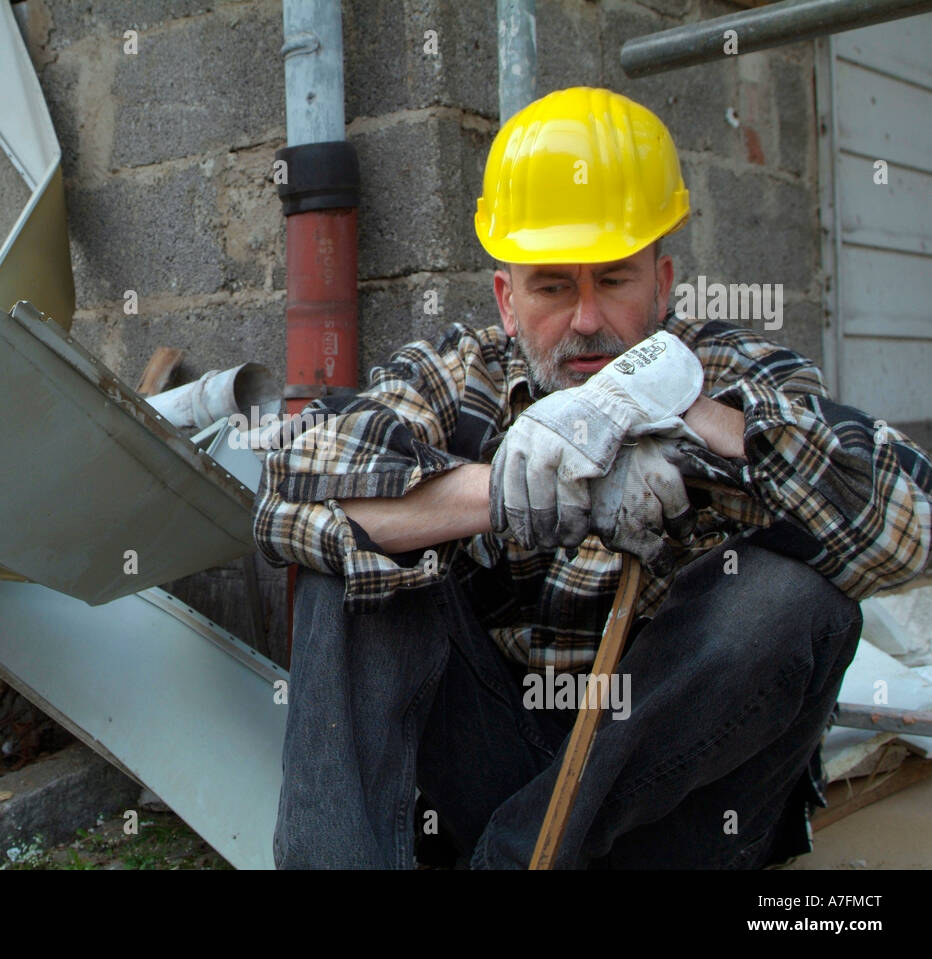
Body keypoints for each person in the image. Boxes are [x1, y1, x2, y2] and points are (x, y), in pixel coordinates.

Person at [251, 86, 932, 869]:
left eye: (612, 279)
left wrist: (691, 417)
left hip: (670, 808)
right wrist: (504, 493)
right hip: (491, 765)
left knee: (795, 599)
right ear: (507, 300)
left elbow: (911, 523)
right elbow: (286, 491)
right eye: (551, 286)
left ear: (663, 281)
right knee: (354, 558)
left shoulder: (727, 372)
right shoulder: (460, 375)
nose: (584, 319)